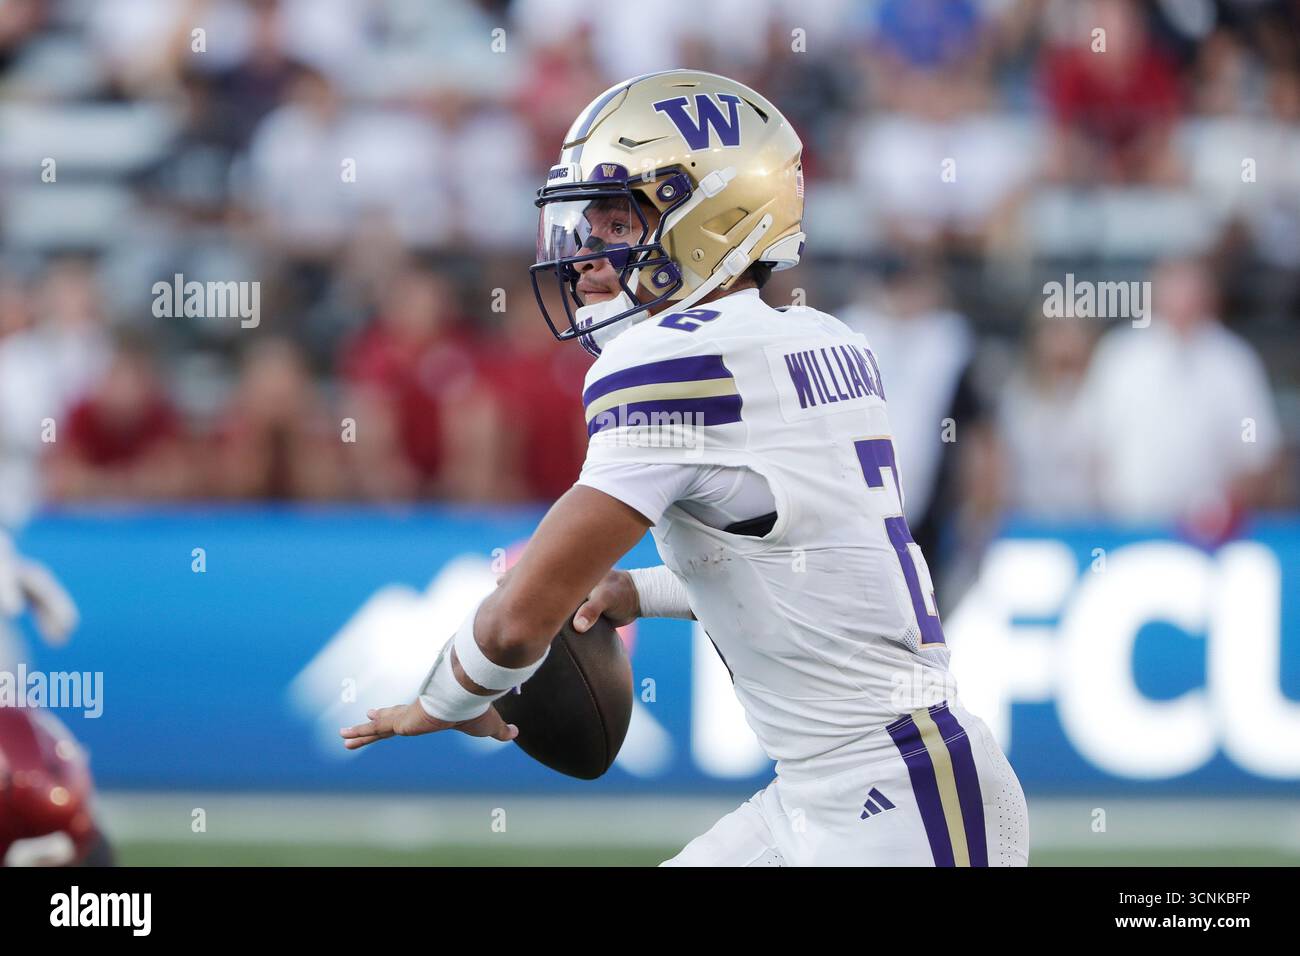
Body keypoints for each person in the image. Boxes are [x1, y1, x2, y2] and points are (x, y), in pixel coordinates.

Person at [341, 70, 1029, 867]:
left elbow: (518, 617)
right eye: (586, 227)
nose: (588, 258)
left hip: (898, 801)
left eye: (618, 222)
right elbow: (800, 560)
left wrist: (445, 699)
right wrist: (636, 590)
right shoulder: (824, 339)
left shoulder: (673, 361)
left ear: (711, 218)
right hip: (846, 785)